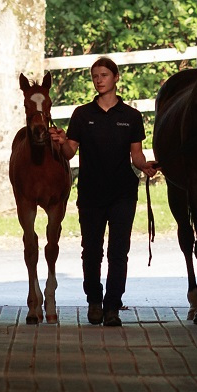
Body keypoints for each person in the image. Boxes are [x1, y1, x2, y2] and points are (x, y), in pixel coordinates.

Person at [48, 57, 157, 327]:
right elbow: (70, 152)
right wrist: (61, 142)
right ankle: (94, 302)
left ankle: (112, 307)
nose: (99, 79)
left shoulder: (130, 116)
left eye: (104, 74)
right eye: (95, 75)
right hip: (91, 193)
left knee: (118, 251)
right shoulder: (82, 115)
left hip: (123, 193)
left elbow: (137, 156)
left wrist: (147, 167)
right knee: (92, 250)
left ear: (116, 78)